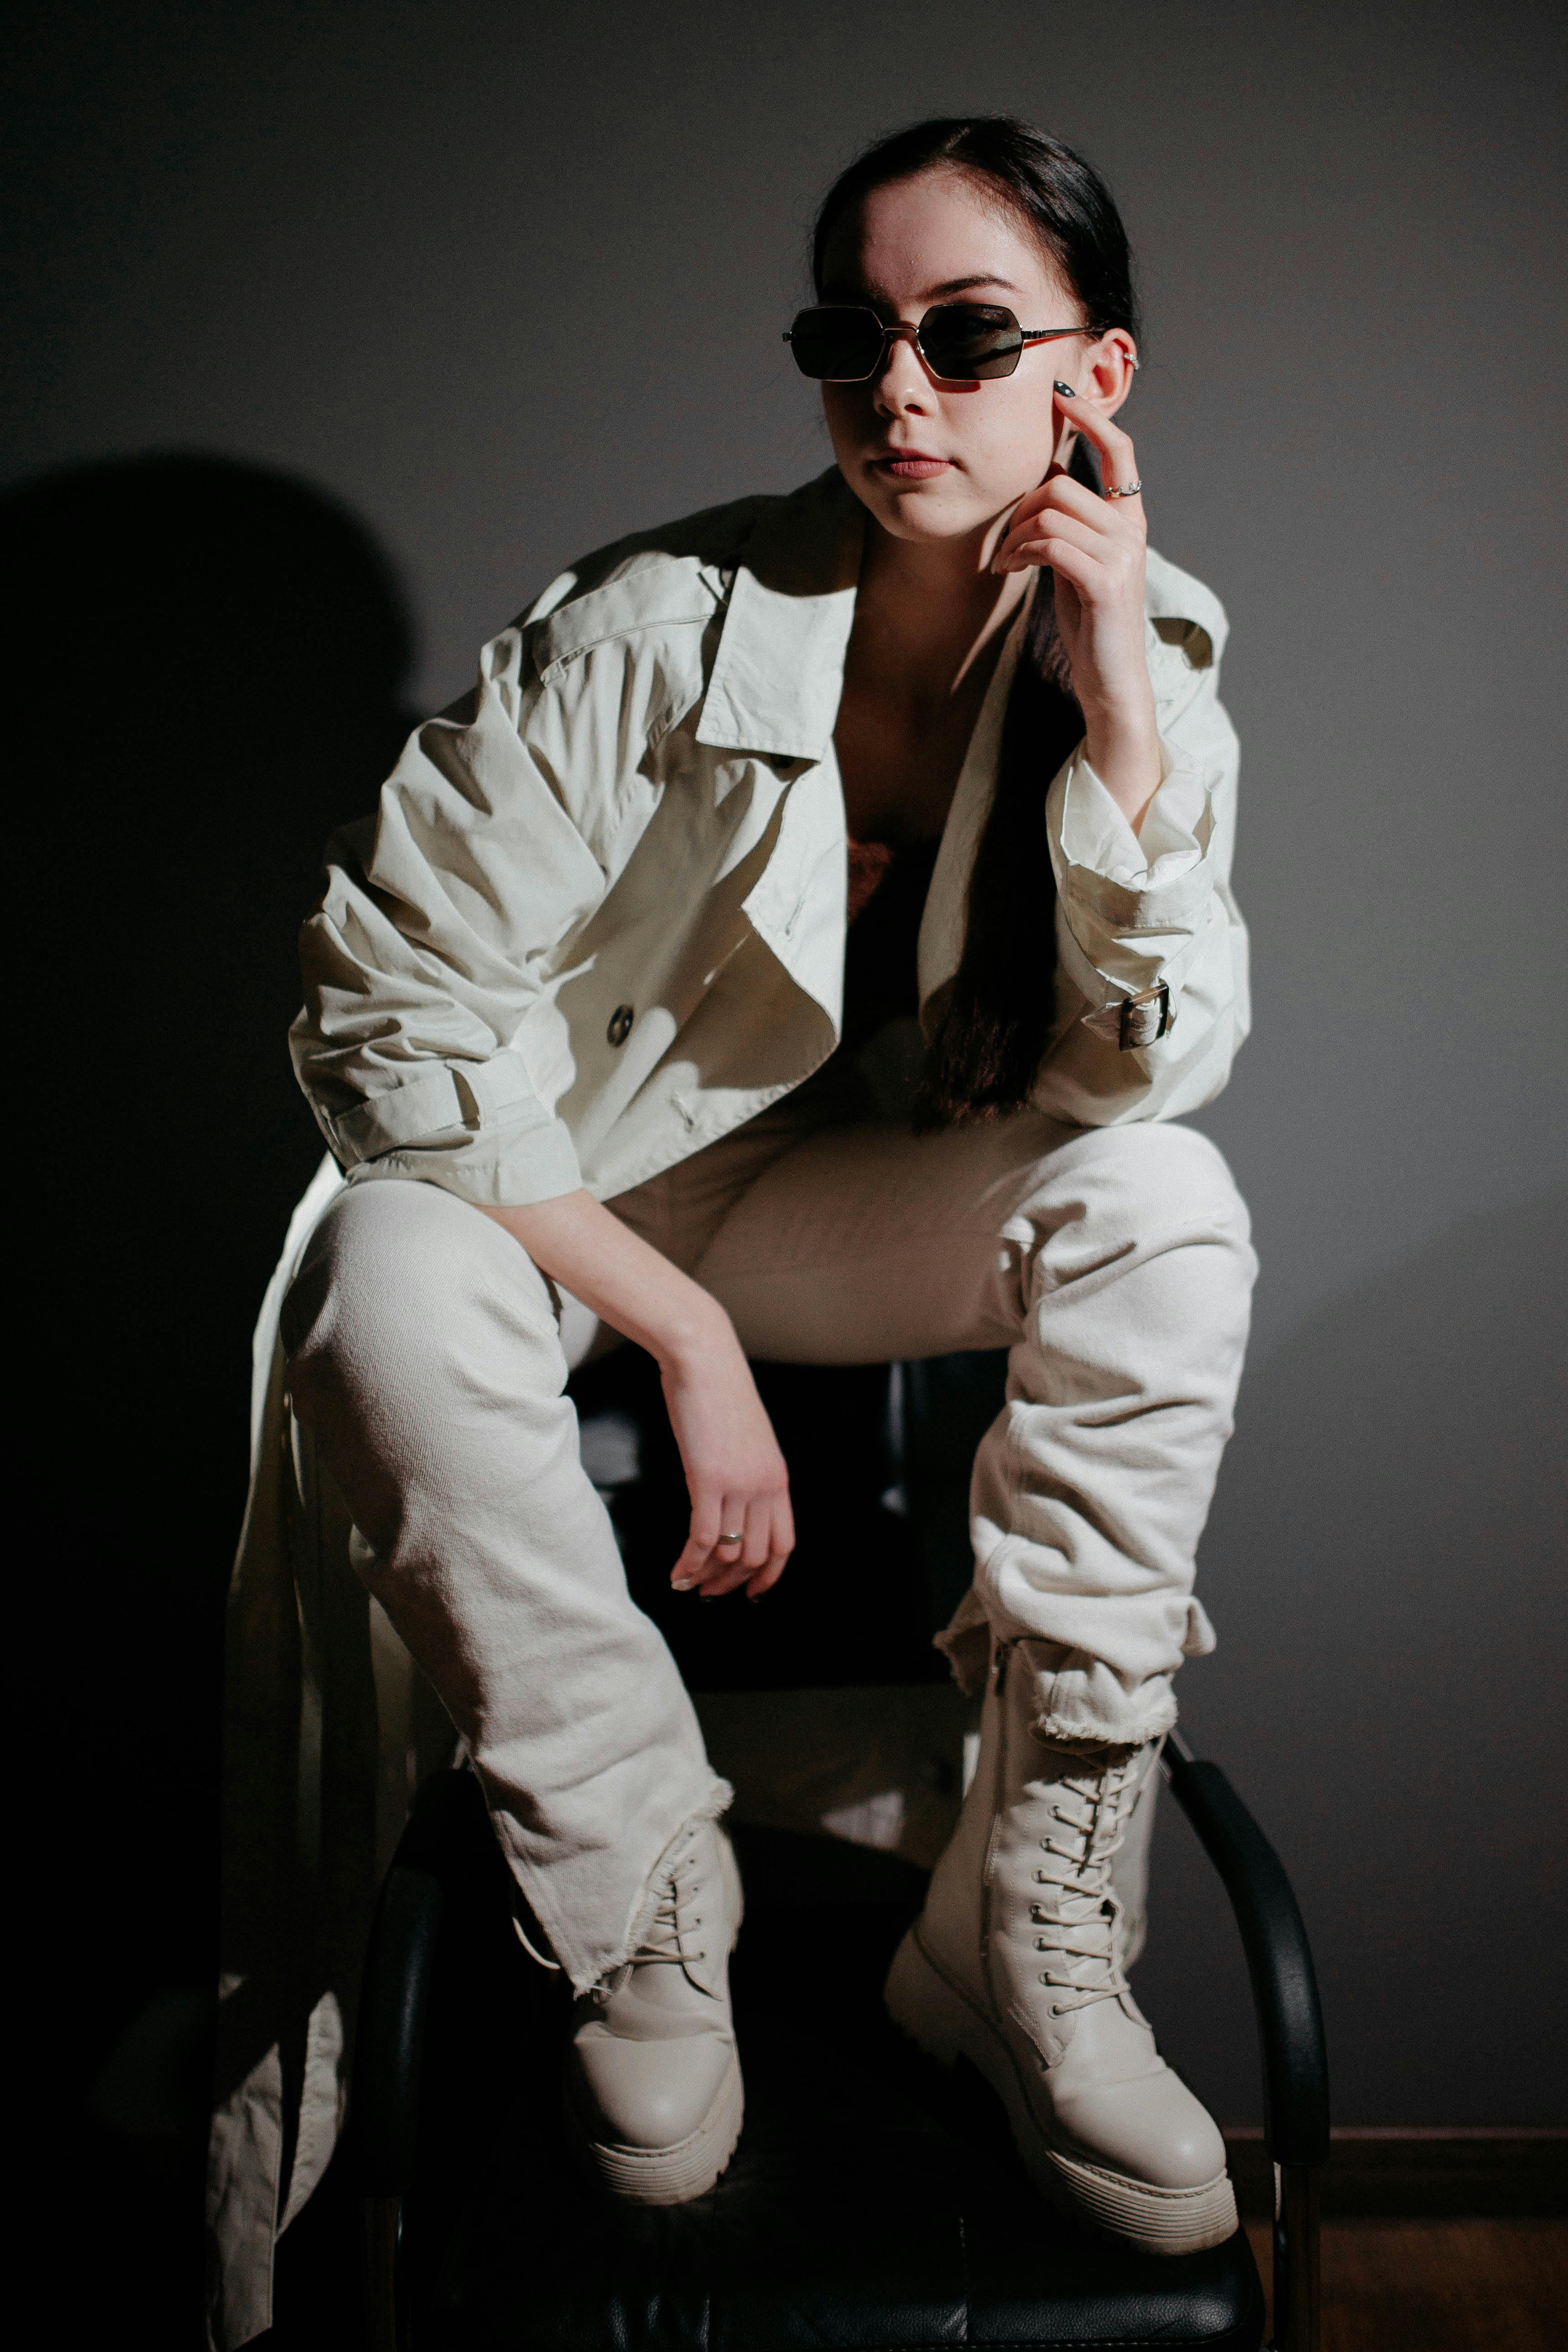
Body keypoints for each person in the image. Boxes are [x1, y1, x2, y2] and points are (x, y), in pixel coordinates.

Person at [271, 111, 1256, 2281]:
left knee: (1169, 1204)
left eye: (966, 337)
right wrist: (681, 1329)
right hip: (560, 1200)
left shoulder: (1153, 645)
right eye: (850, 338)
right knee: (371, 1277)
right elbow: (379, 1007)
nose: (897, 389)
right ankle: (640, 1891)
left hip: (832, 1209)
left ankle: (1028, 1927)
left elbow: (1139, 1075)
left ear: (1095, 377)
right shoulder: (651, 628)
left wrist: (1113, 718)